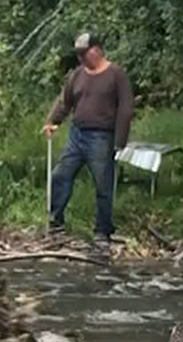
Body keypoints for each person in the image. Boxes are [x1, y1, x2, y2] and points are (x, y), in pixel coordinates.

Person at [43, 32, 134, 246]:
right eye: (78, 54)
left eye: (84, 54)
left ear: (96, 50)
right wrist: (52, 121)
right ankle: (56, 222)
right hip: (77, 135)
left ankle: (103, 230)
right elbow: (65, 101)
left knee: (103, 184)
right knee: (60, 175)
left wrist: (120, 140)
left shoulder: (116, 74)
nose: (81, 58)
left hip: (101, 136)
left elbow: (125, 108)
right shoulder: (77, 75)